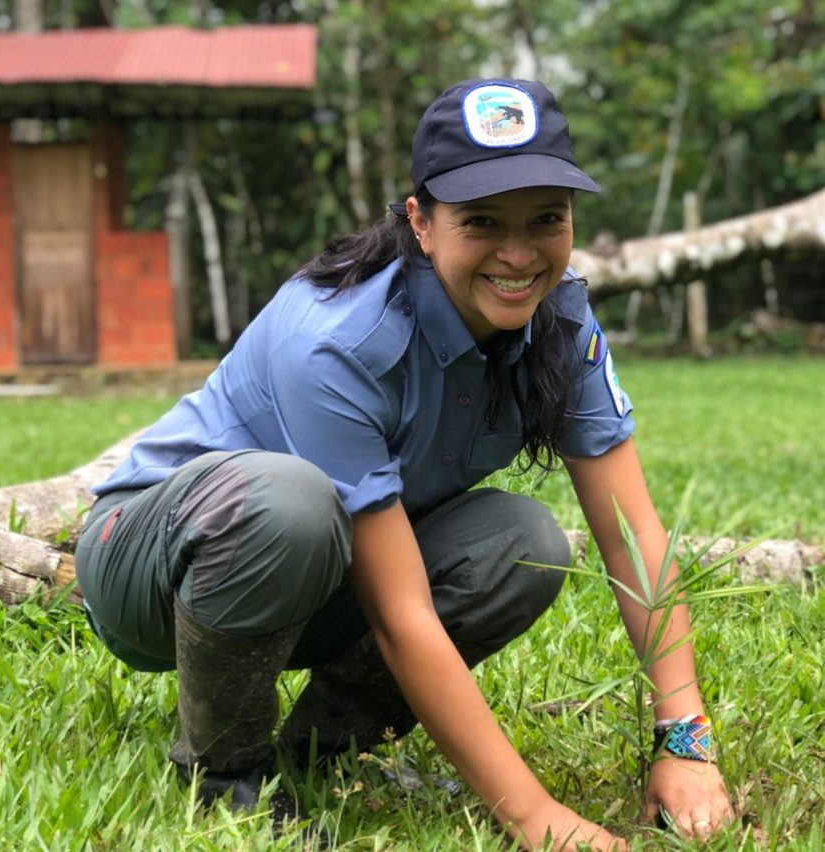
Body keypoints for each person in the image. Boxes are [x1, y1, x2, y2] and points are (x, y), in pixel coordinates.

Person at [75, 77, 734, 848]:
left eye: (546, 219)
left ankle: (319, 754)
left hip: (319, 573)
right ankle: (224, 780)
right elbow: (401, 614)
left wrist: (684, 741)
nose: (519, 253)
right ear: (420, 221)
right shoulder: (337, 340)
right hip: (148, 568)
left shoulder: (561, 320)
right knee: (287, 502)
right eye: (482, 221)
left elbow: (631, 536)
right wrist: (537, 819)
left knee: (525, 544)